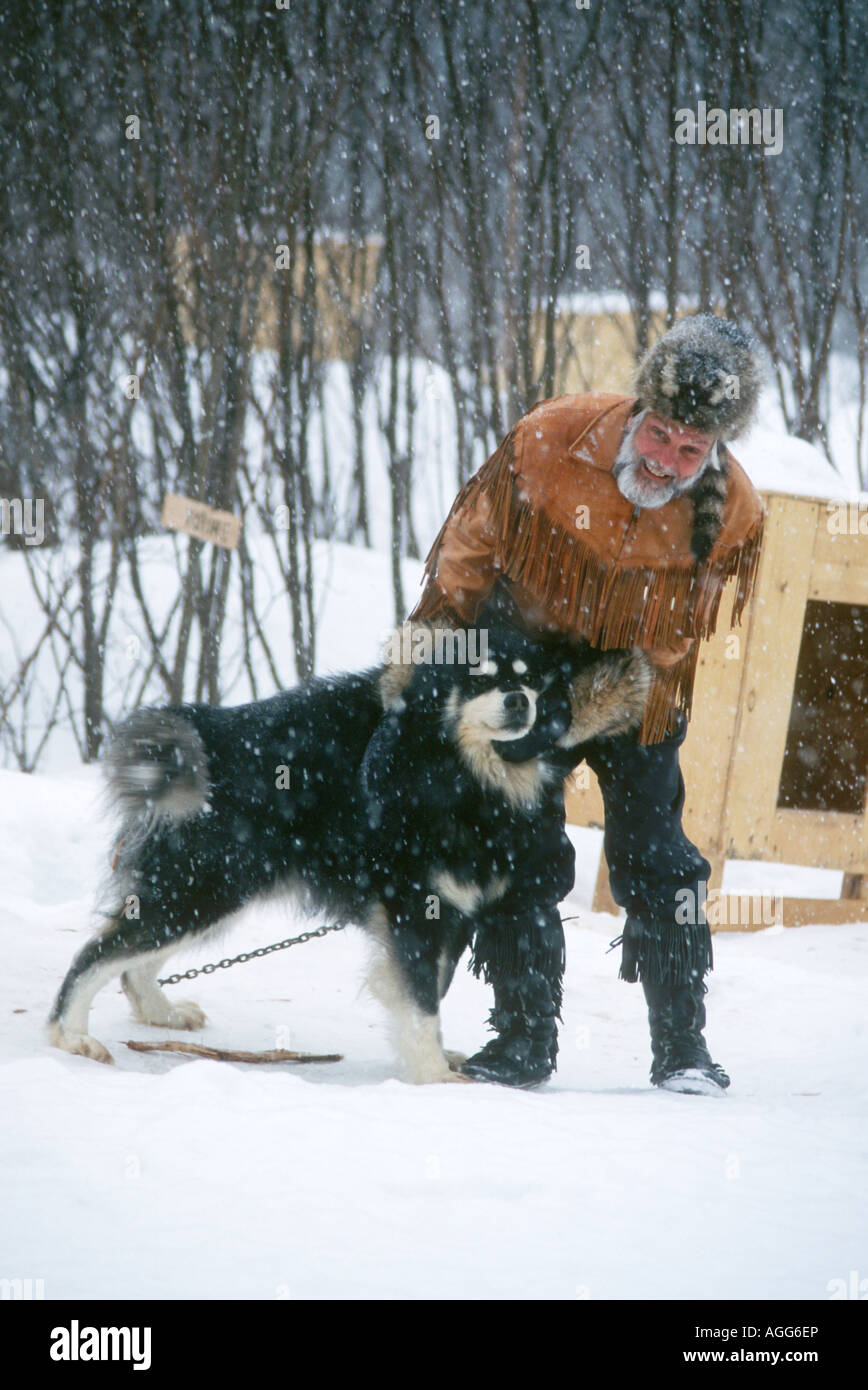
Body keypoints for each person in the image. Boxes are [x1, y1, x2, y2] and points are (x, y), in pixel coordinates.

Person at [407, 314, 765, 1093]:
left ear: (716, 449)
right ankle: (524, 1038)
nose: (668, 461)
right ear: (641, 409)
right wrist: (433, 654)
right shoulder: (551, 438)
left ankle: (684, 1048)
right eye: (661, 434)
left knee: (659, 857)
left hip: (633, 680)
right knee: (520, 849)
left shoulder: (734, 510)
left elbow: (677, 639)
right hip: (520, 659)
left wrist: (592, 703)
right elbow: (468, 546)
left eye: (691, 450)